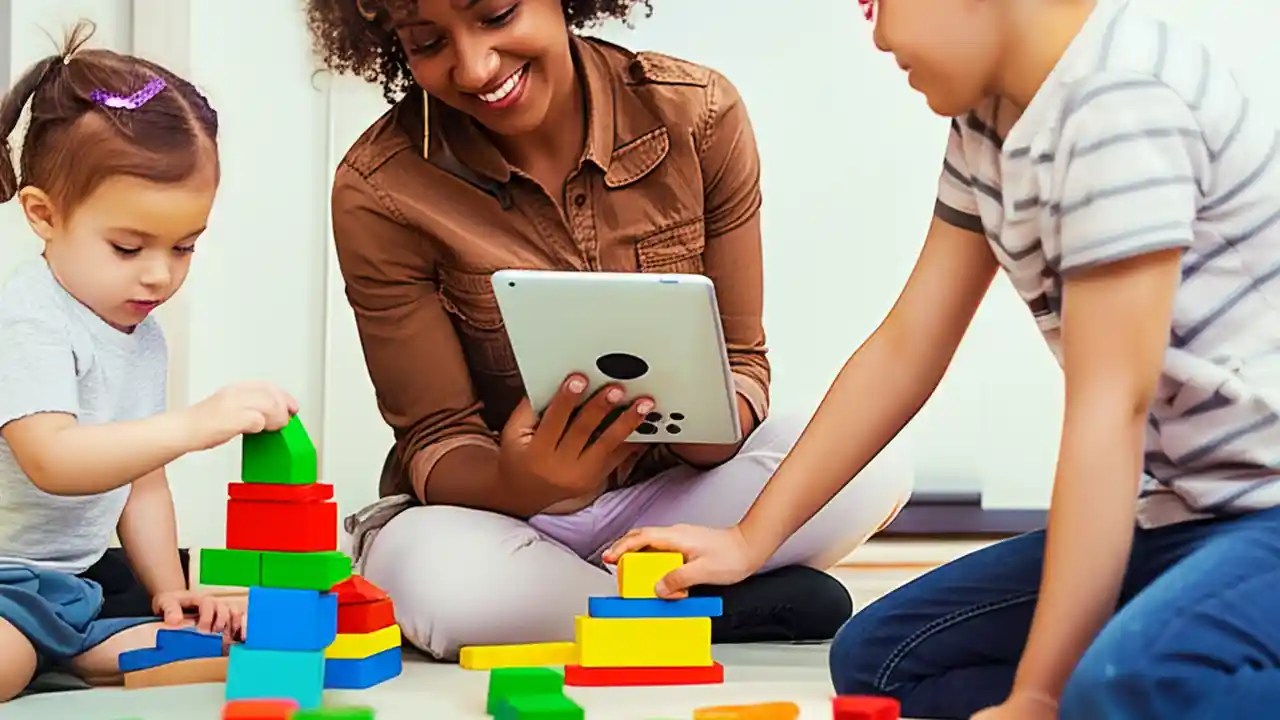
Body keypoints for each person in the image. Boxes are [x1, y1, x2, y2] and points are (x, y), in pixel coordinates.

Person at [607, 0, 1280, 717]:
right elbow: (908, 345)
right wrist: (749, 538)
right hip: (1185, 517)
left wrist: (1038, 695)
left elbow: (1111, 411)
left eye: (876, 3)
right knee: (882, 659)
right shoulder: (993, 122)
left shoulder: (1120, 102)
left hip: (1266, 511)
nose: (877, 33)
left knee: (1119, 689)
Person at [305, 0, 914, 661]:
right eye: (427, 44)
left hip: (674, 499)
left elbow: (743, 362)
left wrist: (715, 427)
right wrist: (525, 483)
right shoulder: (381, 189)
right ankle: (704, 609)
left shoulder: (699, 115)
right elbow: (435, 436)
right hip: (501, 523)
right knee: (432, 579)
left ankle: (614, 601)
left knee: (872, 465)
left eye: (498, 14)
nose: (476, 68)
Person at [0, 22, 299, 701]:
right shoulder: (29, 316)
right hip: (5, 581)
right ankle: (48, 657)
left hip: (77, 588)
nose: (159, 277)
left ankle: (71, 656)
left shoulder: (138, 329)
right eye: (129, 248)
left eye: (184, 247)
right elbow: (53, 459)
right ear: (44, 216)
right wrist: (196, 425)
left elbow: (143, 483)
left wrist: (172, 592)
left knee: (230, 648)